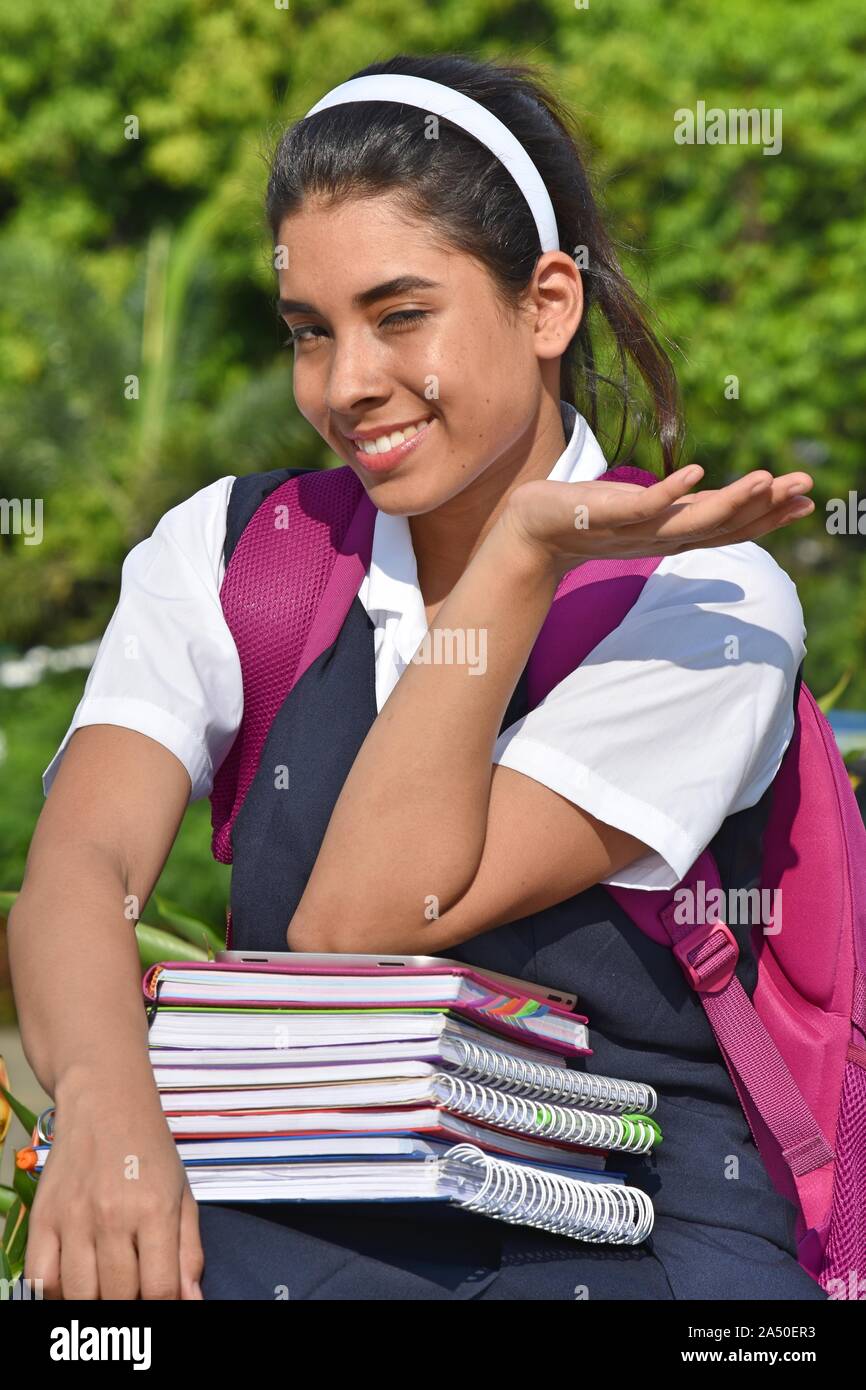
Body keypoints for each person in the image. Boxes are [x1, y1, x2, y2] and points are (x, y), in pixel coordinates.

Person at [10, 52, 824, 1301]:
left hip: (633, 1236)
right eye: (309, 332)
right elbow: (81, 864)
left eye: (399, 317)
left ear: (545, 305)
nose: (345, 385)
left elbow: (362, 920)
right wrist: (110, 1110)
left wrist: (516, 558)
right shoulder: (235, 552)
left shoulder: (703, 603)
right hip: (291, 1213)